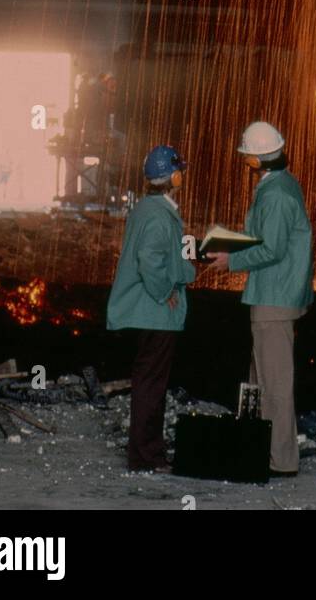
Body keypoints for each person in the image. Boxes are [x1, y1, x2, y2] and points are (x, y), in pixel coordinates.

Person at [208, 121, 313, 476]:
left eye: (247, 155)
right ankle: (261, 449)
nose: (244, 160)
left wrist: (231, 259)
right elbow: (266, 238)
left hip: (274, 295)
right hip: (273, 293)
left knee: (275, 384)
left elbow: (273, 248)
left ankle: (282, 461)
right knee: (261, 381)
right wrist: (229, 240)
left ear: (257, 158)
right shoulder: (280, 184)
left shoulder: (277, 194)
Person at [106, 144, 195, 473]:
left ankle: (146, 454)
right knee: (151, 386)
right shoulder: (160, 216)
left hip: (144, 312)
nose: (182, 175)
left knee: (148, 382)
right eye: (180, 171)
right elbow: (149, 259)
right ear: (173, 175)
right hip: (155, 313)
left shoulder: (147, 208)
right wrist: (166, 290)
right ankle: (147, 458)